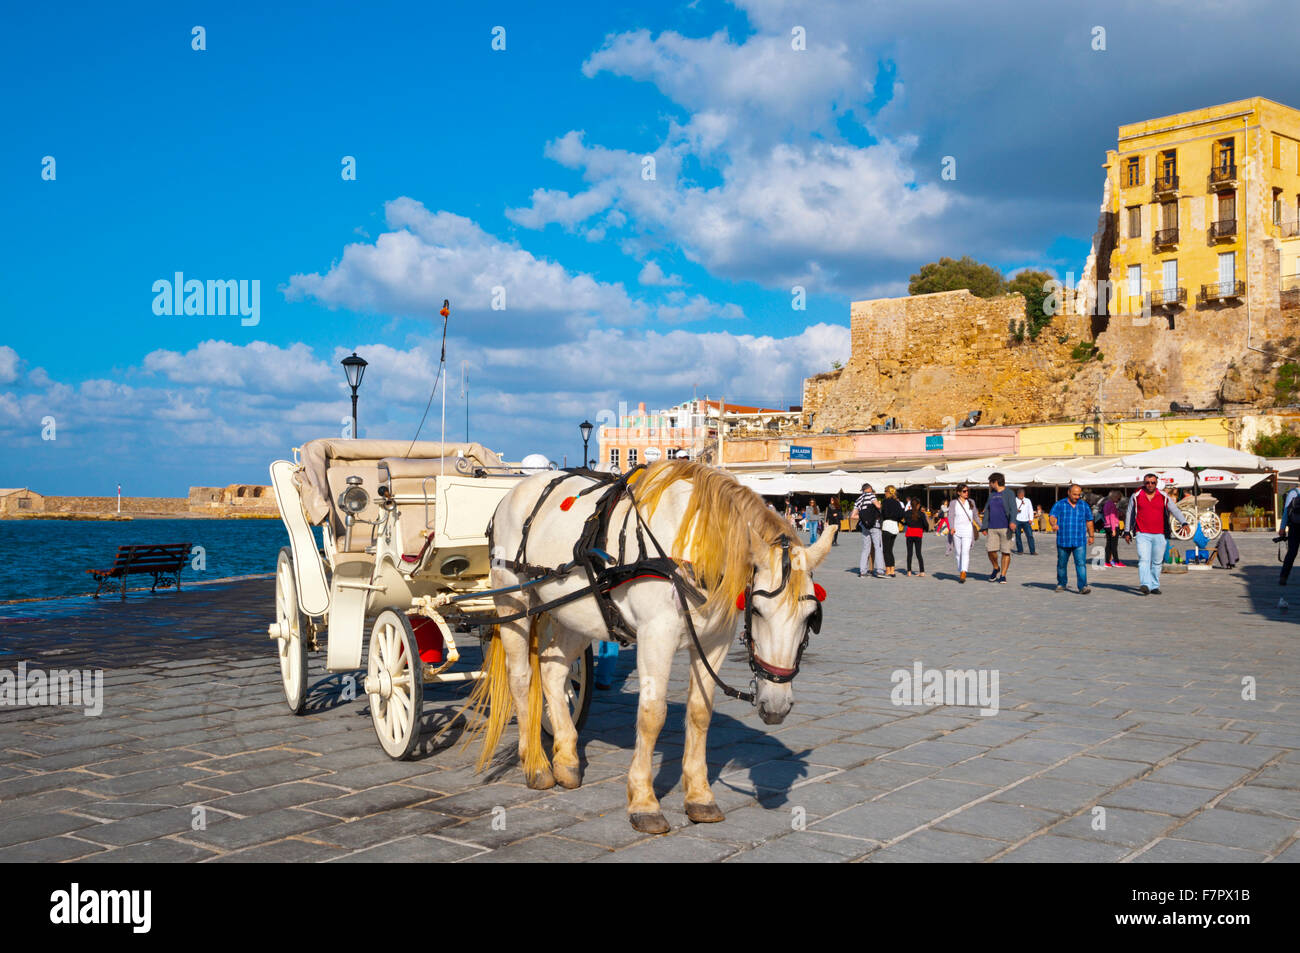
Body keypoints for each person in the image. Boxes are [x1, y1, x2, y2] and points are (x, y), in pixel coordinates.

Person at [1123, 473, 1190, 595]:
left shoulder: (1163, 496)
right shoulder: (1136, 496)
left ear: (1156, 483)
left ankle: (1154, 585)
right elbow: (1129, 513)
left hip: (1160, 534)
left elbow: (1174, 509)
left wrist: (1184, 522)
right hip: (1142, 533)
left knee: (1157, 561)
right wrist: (1127, 531)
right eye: (1147, 482)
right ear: (1144, 483)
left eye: (1152, 482)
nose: (1150, 485)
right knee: (1143, 559)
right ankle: (1145, 584)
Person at [1049, 483, 1095, 594]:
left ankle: (1083, 586)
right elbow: (1052, 516)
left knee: (1081, 564)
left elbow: (1089, 521)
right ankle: (1061, 584)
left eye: (1079, 495)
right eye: (1075, 494)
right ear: (1068, 493)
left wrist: (1091, 535)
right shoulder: (1060, 504)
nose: (1077, 497)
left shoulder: (1084, 505)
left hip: (1079, 540)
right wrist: (1053, 524)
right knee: (1061, 564)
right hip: (1063, 540)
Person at [981, 473, 1018, 584]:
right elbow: (987, 510)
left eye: (990, 482)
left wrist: (1012, 521)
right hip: (992, 527)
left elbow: (1013, 508)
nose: (990, 485)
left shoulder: (1009, 493)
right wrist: (984, 526)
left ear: (995, 482)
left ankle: (1003, 575)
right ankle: (996, 567)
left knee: (1006, 552)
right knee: (990, 550)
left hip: (1006, 528)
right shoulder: (992, 494)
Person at [947, 483, 979, 583]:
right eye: (964, 491)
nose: (966, 493)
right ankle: (960, 569)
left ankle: (963, 572)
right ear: (959, 492)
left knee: (965, 551)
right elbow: (950, 516)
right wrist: (951, 527)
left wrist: (983, 527)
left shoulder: (971, 502)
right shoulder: (953, 503)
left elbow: (976, 516)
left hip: (968, 531)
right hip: (956, 531)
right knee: (958, 552)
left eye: (967, 491)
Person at [855, 483, 884, 579]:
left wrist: (864, 518)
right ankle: (880, 570)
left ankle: (863, 571)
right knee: (878, 547)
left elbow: (852, 516)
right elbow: (878, 506)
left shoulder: (858, 499)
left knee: (865, 549)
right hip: (874, 524)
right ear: (870, 488)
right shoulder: (871, 495)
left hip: (864, 526)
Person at [879, 485, 905, 578]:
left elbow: (883, 513)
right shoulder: (897, 503)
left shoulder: (885, 502)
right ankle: (892, 570)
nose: (884, 493)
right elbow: (902, 514)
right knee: (890, 549)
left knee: (886, 550)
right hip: (895, 527)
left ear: (889, 492)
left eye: (885, 491)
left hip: (887, 525)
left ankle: (888, 570)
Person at [904, 496, 930, 576]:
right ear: (918, 505)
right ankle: (922, 571)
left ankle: (909, 571)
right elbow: (926, 524)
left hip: (910, 533)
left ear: (911, 505)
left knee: (909, 553)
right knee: (918, 553)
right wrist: (926, 529)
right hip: (918, 534)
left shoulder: (907, 513)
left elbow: (906, 523)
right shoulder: (921, 514)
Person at [1279, 486, 1300, 584]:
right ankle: (1283, 577)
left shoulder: (1293, 492)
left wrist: (1282, 527)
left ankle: (1283, 577)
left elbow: (1286, 512)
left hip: (1294, 527)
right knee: (1291, 553)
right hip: (1294, 526)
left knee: (1291, 553)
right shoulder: (1293, 492)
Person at [1102, 490, 1124, 567]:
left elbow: (1106, 516)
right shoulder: (1112, 504)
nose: (1118, 501)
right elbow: (1112, 517)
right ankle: (1116, 561)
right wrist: (1114, 529)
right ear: (1114, 497)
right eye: (1118, 499)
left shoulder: (1106, 504)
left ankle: (1107, 561)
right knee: (1114, 545)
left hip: (1107, 526)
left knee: (1108, 545)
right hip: (1113, 526)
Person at [1014, 488, 1036, 555]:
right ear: (1018, 494)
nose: (1021, 496)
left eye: (1022, 495)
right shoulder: (1014, 500)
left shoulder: (1027, 500)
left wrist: (1031, 519)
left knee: (1030, 536)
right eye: (1020, 495)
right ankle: (1020, 550)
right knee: (1018, 536)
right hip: (1017, 520)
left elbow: (1030, 510)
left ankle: (1032, 551)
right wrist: (1016, 510)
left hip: (1026, 520)